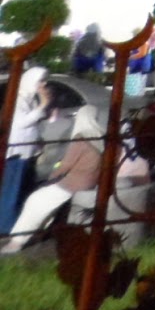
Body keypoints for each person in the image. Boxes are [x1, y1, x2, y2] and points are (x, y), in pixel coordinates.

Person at [2, 105, 104, 253]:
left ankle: (17, 242)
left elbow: (65, 165)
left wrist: (50, 178)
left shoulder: (81, 139)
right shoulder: (100, 137)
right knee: (44, 201)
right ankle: (37, 233)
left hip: (71, 184)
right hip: (88, 183)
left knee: (35, 201)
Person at [0, 68, 49, 235]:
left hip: (28, 152)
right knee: (11, 191)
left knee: (23, 190)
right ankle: (5, 227)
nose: (43, 85)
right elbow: (21, 124)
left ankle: (17, 224)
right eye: (40, 81)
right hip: (17, 153)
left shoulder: (30, 99)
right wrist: (43, 104)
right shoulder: (18, 99)